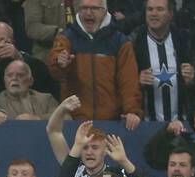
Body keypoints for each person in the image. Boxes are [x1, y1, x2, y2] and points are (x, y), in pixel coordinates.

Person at [49, 0, 142, 128]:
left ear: (104, 11)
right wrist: (60, 64)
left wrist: (132, 111)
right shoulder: (66, 37)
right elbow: (55, 72)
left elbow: (129, 81)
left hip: (112, 122)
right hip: (74, 121)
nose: (88, 13)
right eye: (84, 8)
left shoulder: (120, 42)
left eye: (94, 8)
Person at [130, 0, 195, 124]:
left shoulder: (184, 39)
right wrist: (137, 81)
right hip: (146, 125)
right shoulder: (135, 41)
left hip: (181, 124)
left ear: (171, 14)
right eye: (150, 9)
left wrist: (193, 79)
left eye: (159, 9)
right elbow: (124, 82)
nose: (153, 14)